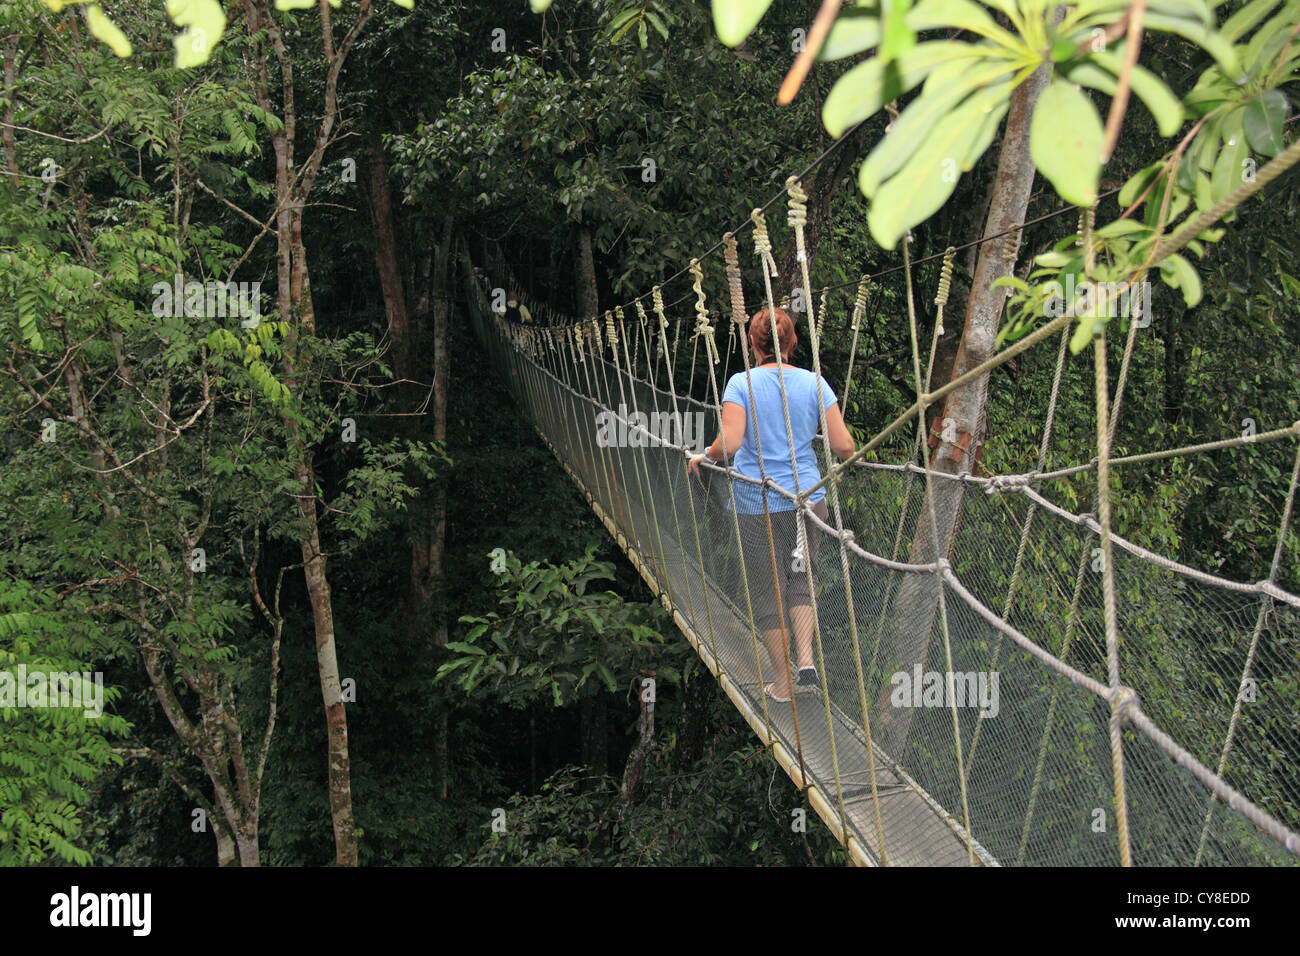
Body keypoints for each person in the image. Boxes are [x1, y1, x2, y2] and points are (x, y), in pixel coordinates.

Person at [687, 307, 855, 703]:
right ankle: (807, 660)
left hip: (757, 506)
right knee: (800, 579)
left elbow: (728, 444)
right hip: (807, 502)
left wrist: (704, 456)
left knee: (767, 592)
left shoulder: (740, 384)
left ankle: (782, 685)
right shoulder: (815, 383)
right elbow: (844, 446)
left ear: (752, 344)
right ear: (792, 343)